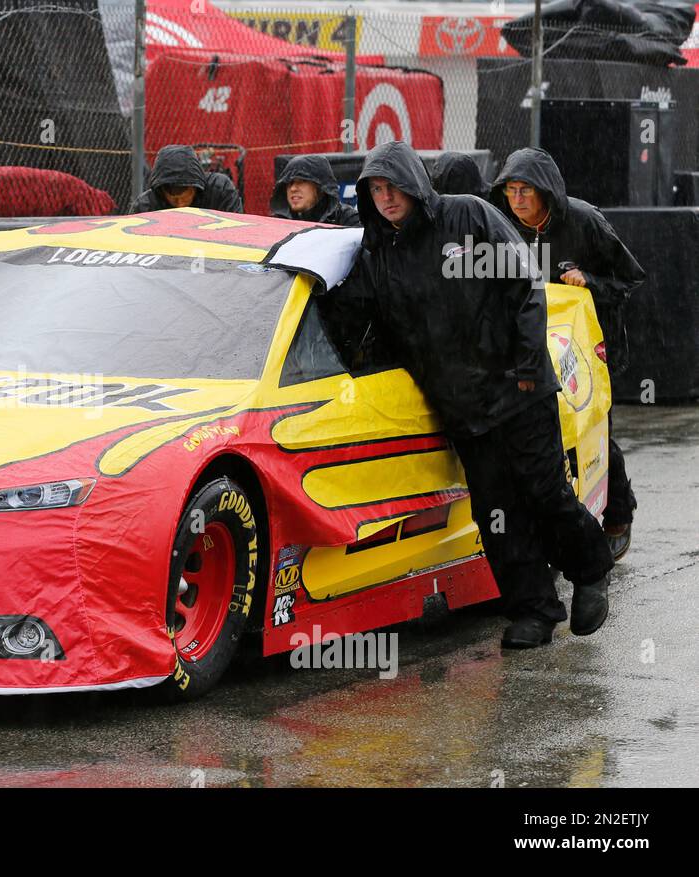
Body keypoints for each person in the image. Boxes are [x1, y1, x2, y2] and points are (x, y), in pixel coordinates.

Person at [320, 141, 613, 649]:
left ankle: (591, 566)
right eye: (375, 190)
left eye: (392, 186)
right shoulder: (376, 253)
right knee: (496, 512)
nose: (386, 197)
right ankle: (534, 610)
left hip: (518, 389)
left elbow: (524, 287)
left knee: (544, 491)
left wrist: (525, 369)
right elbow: (357, 316)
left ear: (413, 182)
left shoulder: (468, 216)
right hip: (461, 407)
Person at [489, 148, 645, 560]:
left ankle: (618, 513)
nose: (517, 200)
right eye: (511, 190)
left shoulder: (584, 221)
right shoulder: (504, 227)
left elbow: (630, 278)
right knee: (546, 436)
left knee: (597, 427)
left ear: (546, 193)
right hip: (537, 350)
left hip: (594, 347)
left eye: (526, 191)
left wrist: (589, 280)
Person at [129, 144, 243, 213]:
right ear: (162, 192)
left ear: (195, 188)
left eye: (184, 198)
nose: (180, 205)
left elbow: (238, 232)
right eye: (174, 200)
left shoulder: (220, 191)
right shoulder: (146, 206)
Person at [269, 155, 361, 226]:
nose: (293, 188)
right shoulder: (277, 223)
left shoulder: (348, 220)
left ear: (320, 187)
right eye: (289, 183)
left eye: (301, 181)